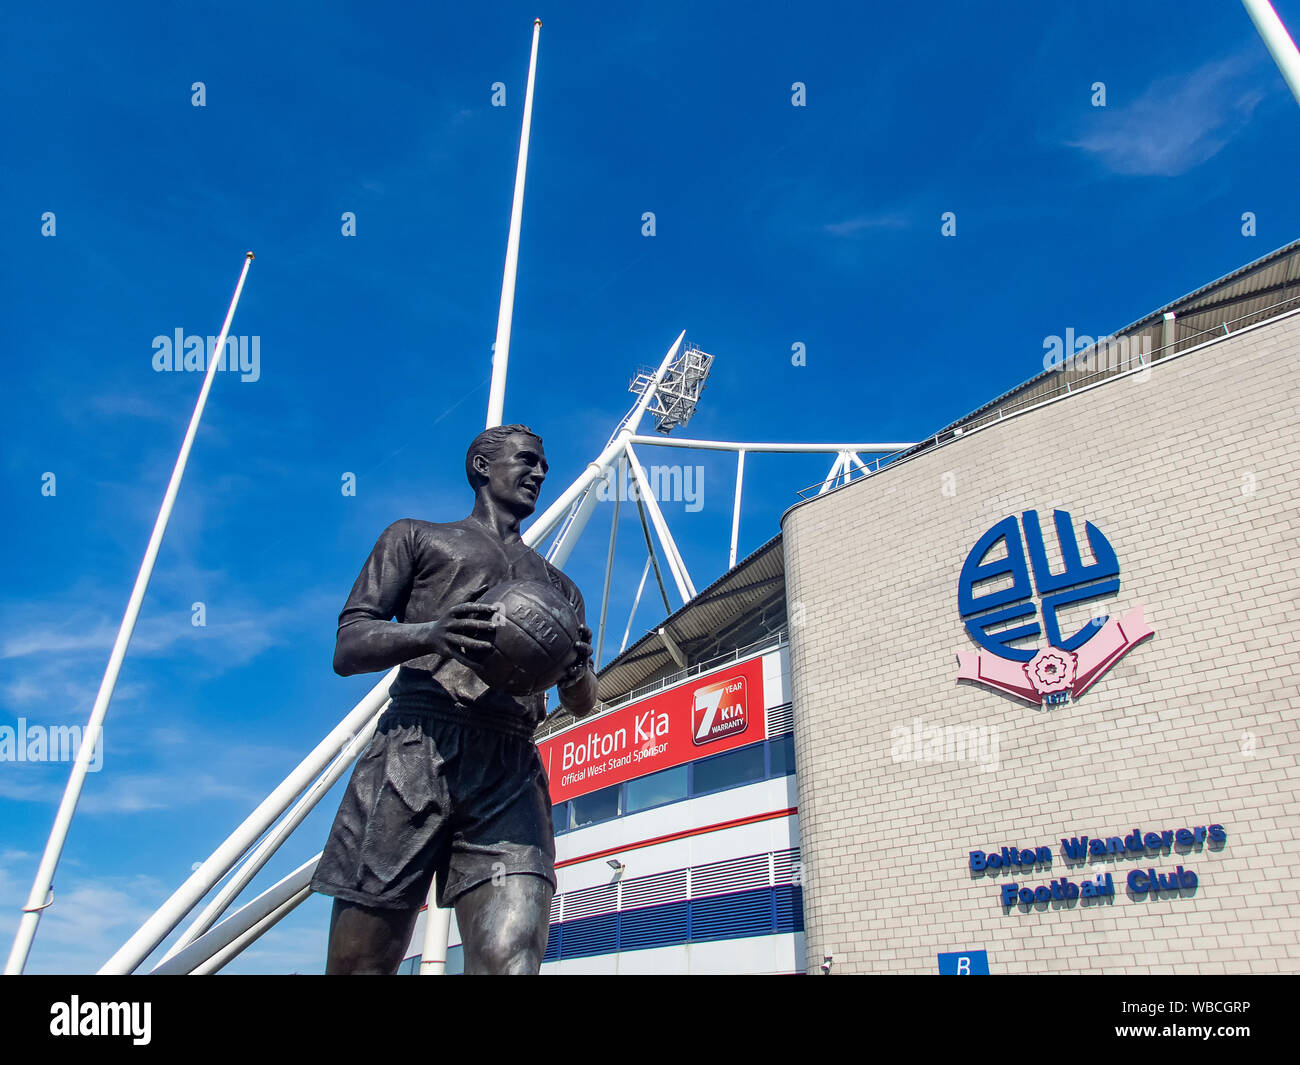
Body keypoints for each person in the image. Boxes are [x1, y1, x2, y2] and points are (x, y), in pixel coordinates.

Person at [310, 424, 597, 974]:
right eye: (527, 460)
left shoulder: (561, 590)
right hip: (414, 749)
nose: (539, 473)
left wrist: (576, 668)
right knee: (359, 965)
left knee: (511, 962)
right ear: (481, 467)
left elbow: (583, 702)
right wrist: (430, 633)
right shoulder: (416, 536)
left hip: (509, 765)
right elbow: (348, 646)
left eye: (544, 467)